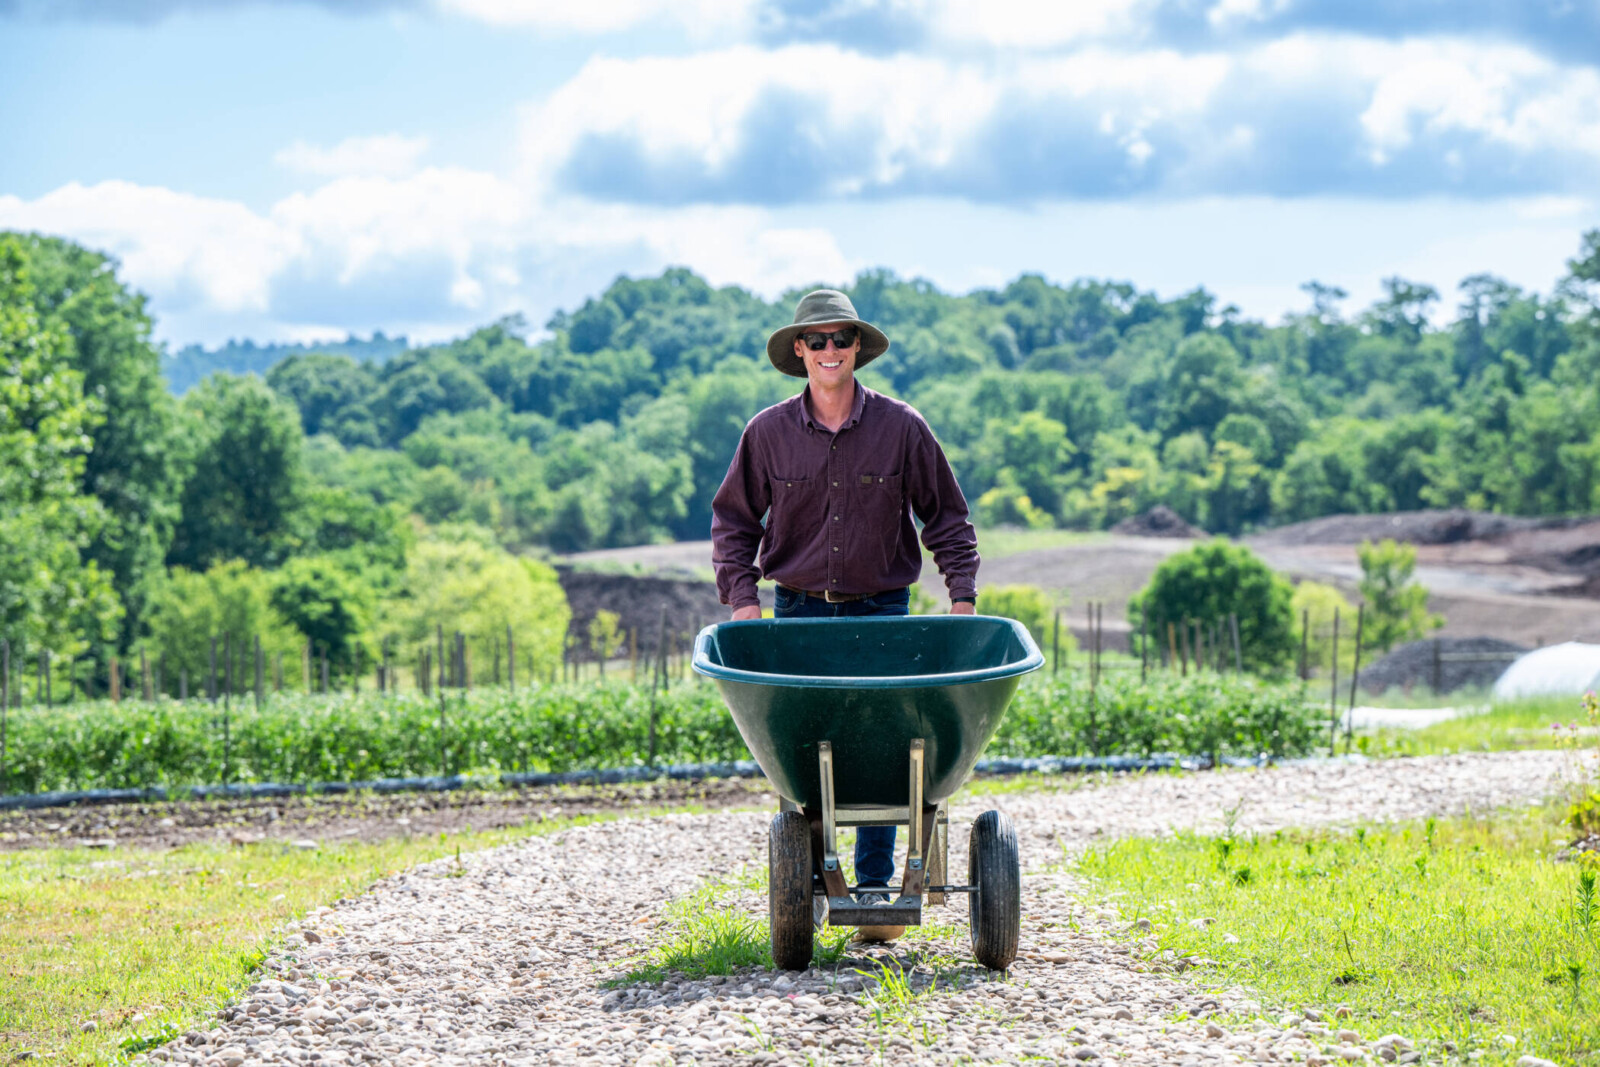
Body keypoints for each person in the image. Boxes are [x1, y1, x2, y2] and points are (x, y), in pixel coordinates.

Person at [710, 288, 980, 940]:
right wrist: (744, 601)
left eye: (841, 339)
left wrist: (962, 597)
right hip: (798, 614)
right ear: (799, 350)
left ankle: (873, 895)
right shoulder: (767, 434)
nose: (830, 351)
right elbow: (733, 523)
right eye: (817, 340)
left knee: (885, 746)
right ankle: (812, 882)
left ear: (857, 347)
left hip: (883, 613)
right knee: (811, 749)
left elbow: (946, 516)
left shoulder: (901, 427)